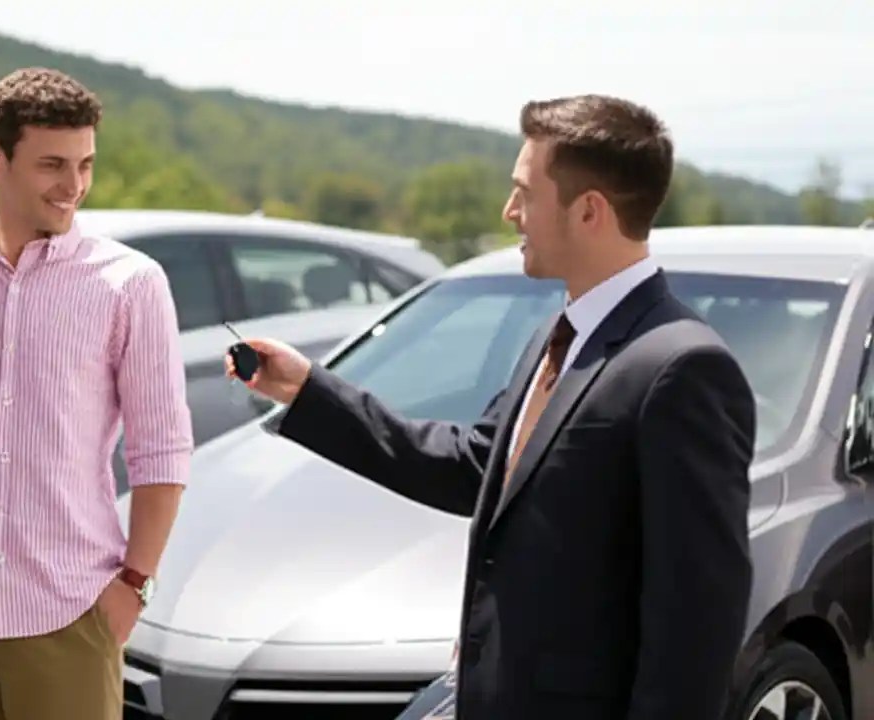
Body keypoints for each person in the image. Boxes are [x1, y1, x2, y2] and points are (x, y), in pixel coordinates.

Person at [230, 94, 756, 720]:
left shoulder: (682, 368)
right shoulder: (554, 336)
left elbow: (697, 619)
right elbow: (480, 467)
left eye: (524, 193)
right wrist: (310, 390)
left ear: (589, 211)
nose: (510, 212)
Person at [0, 67, 193, 720]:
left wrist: (132, 588)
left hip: (71, 614)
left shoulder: (129, 284)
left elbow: (163, 452)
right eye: (53, 164)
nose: (74, 186)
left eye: (85, 164)